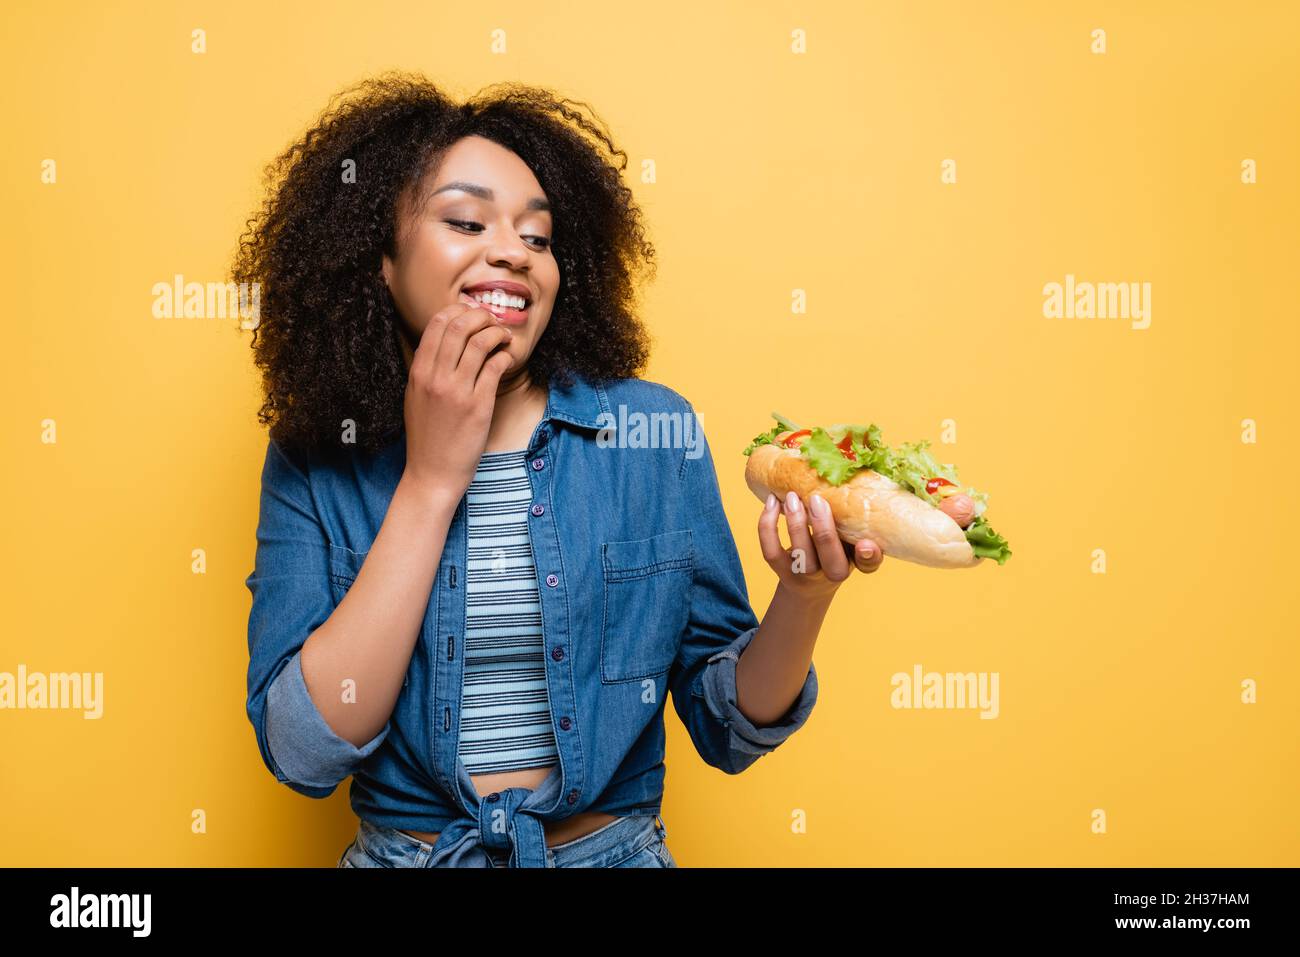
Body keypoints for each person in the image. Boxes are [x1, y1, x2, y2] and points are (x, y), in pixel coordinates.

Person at [236, 72, 884, 868]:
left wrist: (805, 595)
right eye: (467, 220)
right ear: (379, 258)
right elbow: (303, 751)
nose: (512, 251)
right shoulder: (315, 456)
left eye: (537, 237)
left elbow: (730, 724)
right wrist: (432, 480)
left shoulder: (652, 431)